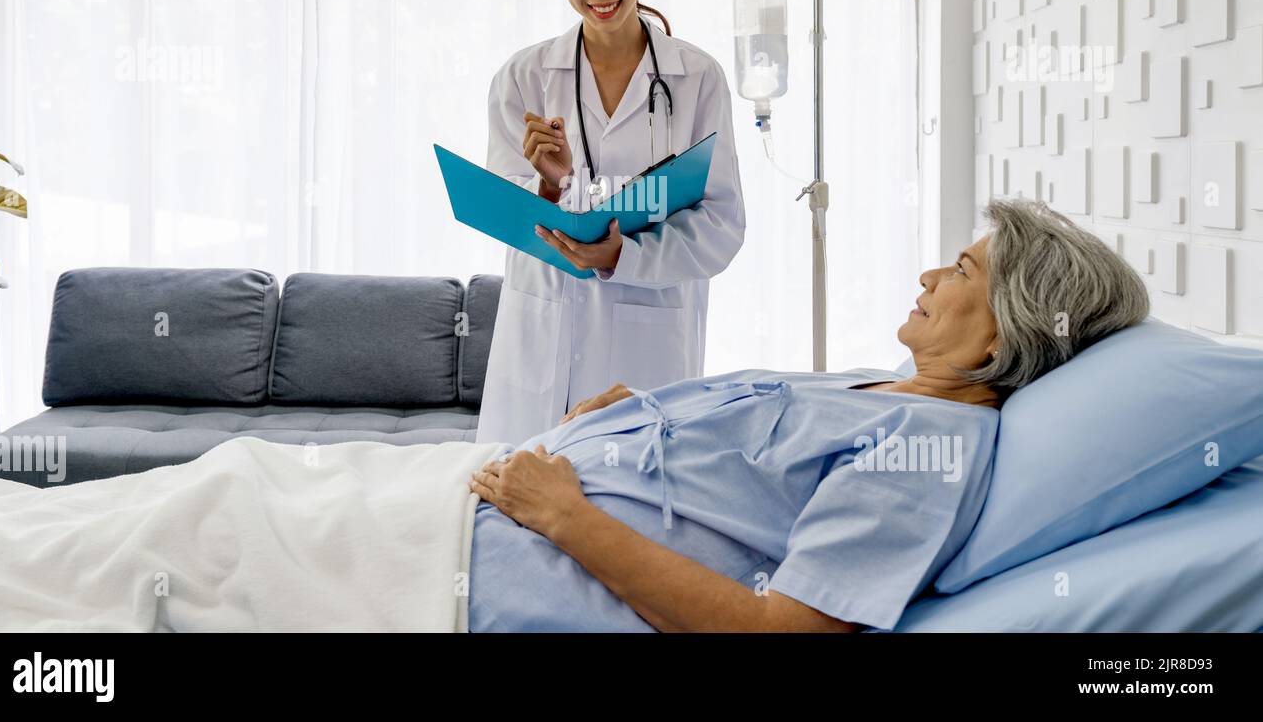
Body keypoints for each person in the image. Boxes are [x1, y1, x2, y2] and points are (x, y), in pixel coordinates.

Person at [467, 198, 1151, 631]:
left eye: (962, 273)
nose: (929, 279)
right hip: (490, 496)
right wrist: (635, 417)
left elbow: (783, 630)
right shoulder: (888, 387)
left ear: (1007, 332)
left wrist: (566, 514)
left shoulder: (929, 448)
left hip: (481, 569)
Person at [476, 0, 746, 445]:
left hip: (648, 340)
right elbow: (504, 205)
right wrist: (550, 188)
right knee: (517, 508)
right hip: (543, 330)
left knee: (631, 506)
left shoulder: (697, 79)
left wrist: (624, 254)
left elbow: (721, 225)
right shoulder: (524, 77)